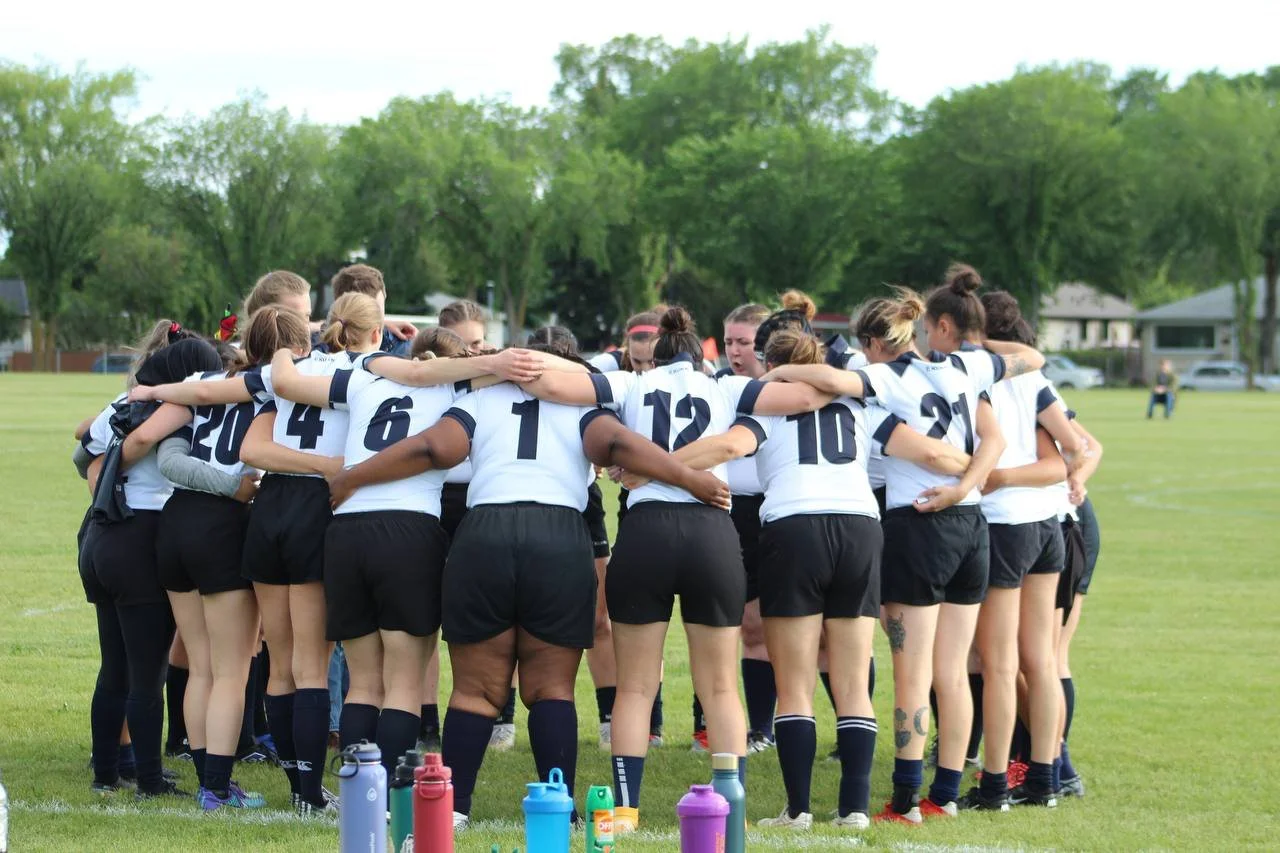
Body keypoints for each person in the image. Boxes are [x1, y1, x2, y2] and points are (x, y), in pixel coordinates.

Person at [324, 324, 728, 832]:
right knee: (553, 687)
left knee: (474, 690)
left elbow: (432, 448)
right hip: (558, 537)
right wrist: (690, 478)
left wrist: (354, 476)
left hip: (485, 534)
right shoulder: (584, 403)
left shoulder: (483, 398)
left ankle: (456, 805)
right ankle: (560, 802)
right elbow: (621, 446)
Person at [762, 270, 1046, 824]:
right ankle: (945, 795)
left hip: (921, 526)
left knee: (912, 674)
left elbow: (821, 380)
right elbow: (1025, 374)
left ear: (872, 343)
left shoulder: (880, 377)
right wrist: (970, 485)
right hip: (973, 527)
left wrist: (783, 368)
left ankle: (905, 800)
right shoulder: (967, 364)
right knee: (956, 670)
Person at [681, 328, 974, 831]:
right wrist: (979, 470)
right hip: (860, 527)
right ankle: (855, 808)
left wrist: (652, 467)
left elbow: (730, 447)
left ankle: (798, 809)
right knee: (853, 682)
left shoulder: (767, 407)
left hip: (795, 526)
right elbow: (932, 454)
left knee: (794, 686)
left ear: (772, 367)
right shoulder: (862, 406)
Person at [120, 309, 321, 810]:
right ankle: (215, 788)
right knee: (231, 670)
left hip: (177, 516)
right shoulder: (282, 382)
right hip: (227, 522)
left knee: (202, 665)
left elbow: (181, 433)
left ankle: (209, 776)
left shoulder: (202, 379)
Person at [264, 327, 471, 777]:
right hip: (408, 529)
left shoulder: (363, 377)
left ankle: (357, 788)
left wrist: (281, 349)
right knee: (403, 682)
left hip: (346, 530)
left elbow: (287, 383)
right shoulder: (458, 388)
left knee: (363, 682)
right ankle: (391, 793)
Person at [936, 289, 1077, 811]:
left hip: (1002, 524)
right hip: (1045, 523)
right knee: (1040, 660)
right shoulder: (1029, 373)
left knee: (997, 664)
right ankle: (1045, 778)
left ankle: (994, 783)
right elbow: (1067, 452)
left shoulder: (964, 371)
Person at [78, 335, 225, 800]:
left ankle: (106, 773)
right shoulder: (173, 404)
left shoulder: (119, 401)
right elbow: (141, 439)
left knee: (115, 668)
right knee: (148, 671)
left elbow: (85, 452)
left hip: (101, 535)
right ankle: (148, 780)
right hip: (139, 534)